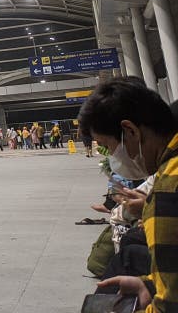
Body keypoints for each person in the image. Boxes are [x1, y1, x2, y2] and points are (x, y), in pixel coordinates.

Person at [78, 77, 178, 312]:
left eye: (109, 146)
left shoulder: (167, 192)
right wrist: (150, 283)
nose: (112, 156)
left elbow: (170, 307)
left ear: (130, 130)